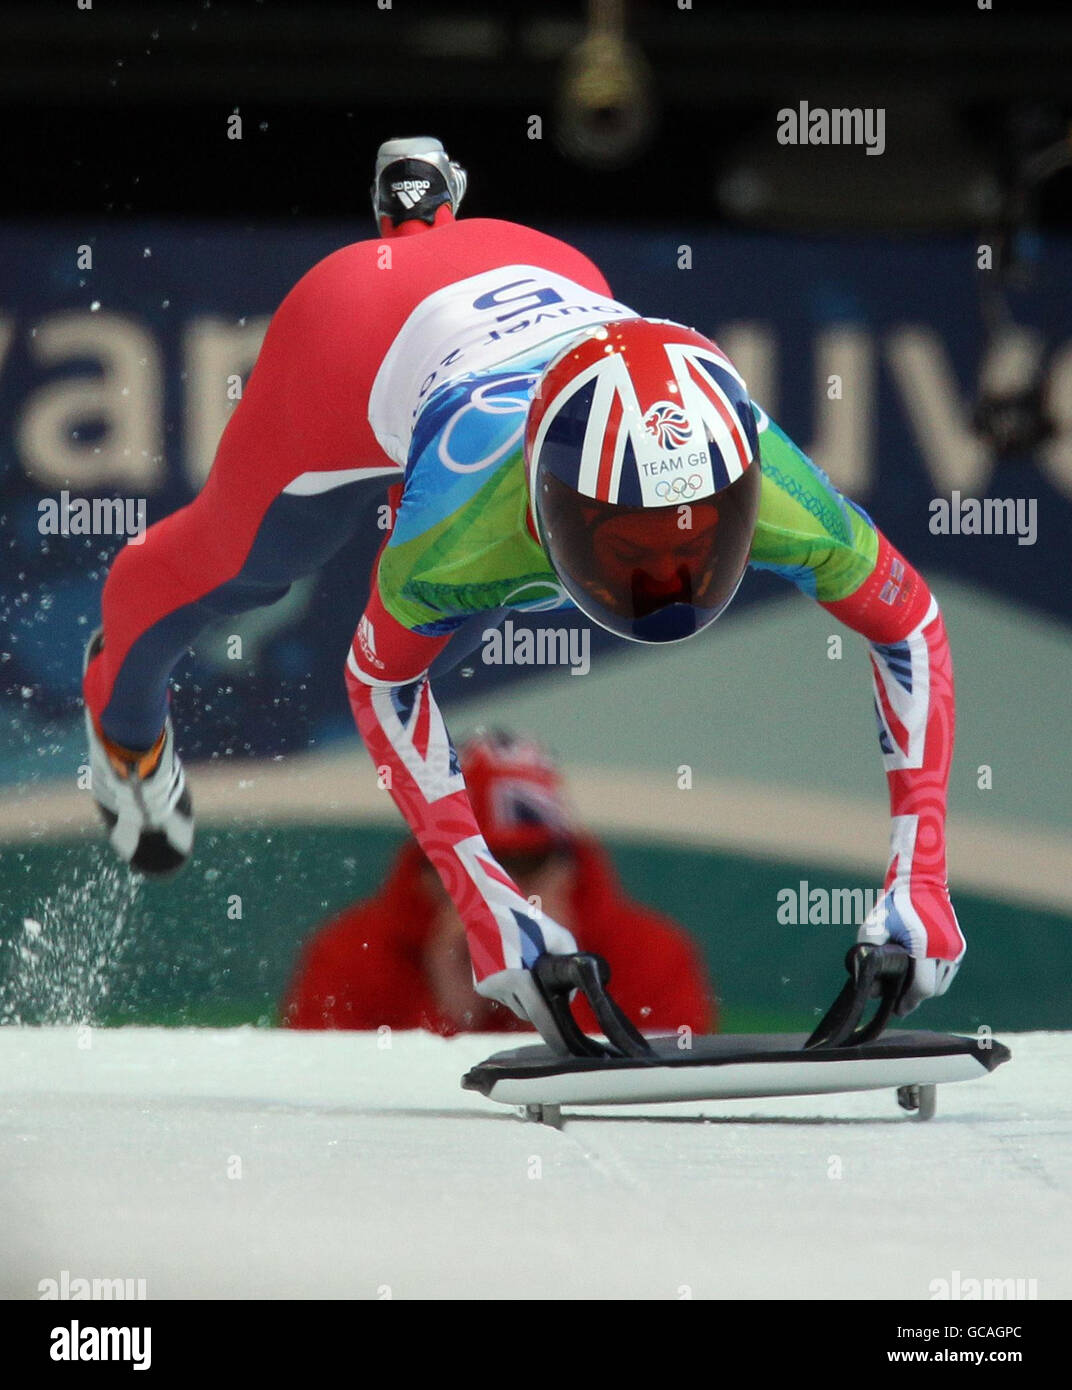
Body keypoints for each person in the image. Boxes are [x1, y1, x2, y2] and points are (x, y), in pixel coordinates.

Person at [82, 135, 964, 1044]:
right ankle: (123, 720)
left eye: (700, 537)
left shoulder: (759, 471)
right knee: (246, 568)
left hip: (533, 277)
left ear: (736, 485)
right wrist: (481, 897)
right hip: (356, 329)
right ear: (547, 507)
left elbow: (913, 623)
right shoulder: (463, 530)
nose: (667, 583)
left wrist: (921, 877)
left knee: (457, 627)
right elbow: (378, 680)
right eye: (628, 548)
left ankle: (418, 215)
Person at [282, 730, 716, 1036]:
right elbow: (329, 1113)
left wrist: (550, 995)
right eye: (468, 862)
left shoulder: (653, 955)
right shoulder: (349, 953)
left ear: (569, 866)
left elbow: (654, 1111)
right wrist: (449, 1012)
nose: (498, 886)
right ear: (424, 871)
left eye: (525, 862)